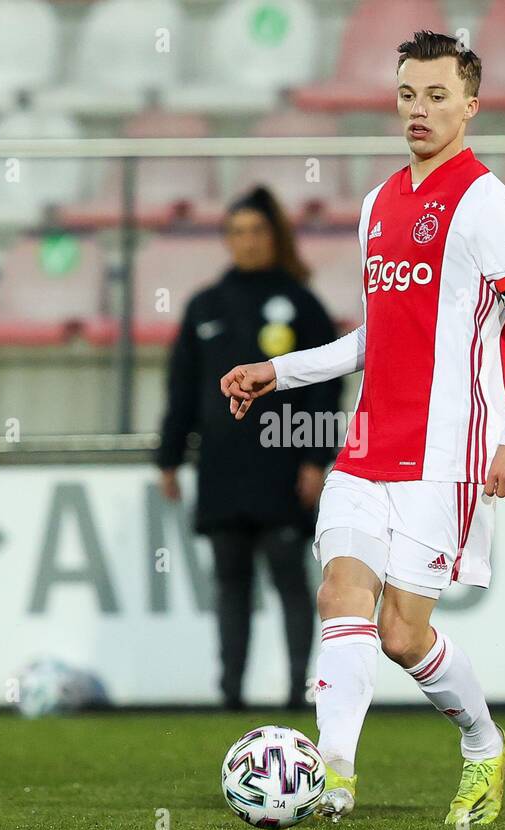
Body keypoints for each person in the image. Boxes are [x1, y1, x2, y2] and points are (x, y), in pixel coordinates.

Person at [220, 31, 505, 827]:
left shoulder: (490, 206)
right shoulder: (379, 203)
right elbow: (377, 337)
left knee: (404, 636)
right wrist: (282, 371)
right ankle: (334, 777)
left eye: (438, 96)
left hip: (448, 453)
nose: (420, 110)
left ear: (471, 106)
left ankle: (485, 745)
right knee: (342, 587)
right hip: (369, 447)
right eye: (409, 94)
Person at [158, 187, 340, 711]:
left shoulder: (302, 304)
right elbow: (184, 389)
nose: (247, 242)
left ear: (274, 237)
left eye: (256, 231)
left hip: (281, 463)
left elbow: (325, 388)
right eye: (236, 232)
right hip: (220, 466)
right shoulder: (204, 306)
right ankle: (230, 693)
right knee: (230, 581)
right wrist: (169, 459)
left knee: (289, 576)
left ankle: (300, 692)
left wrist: (314, 459)